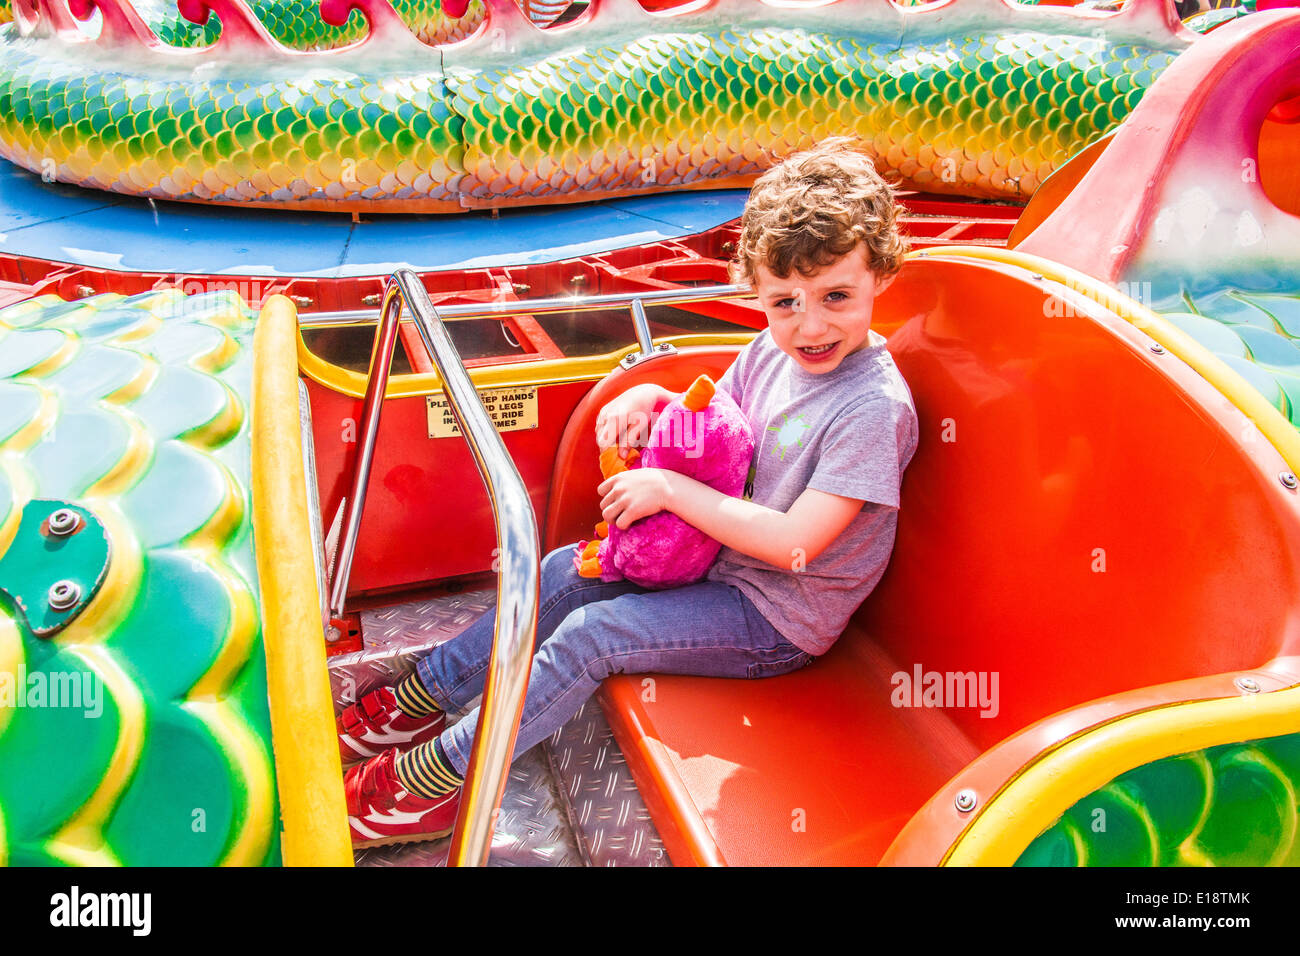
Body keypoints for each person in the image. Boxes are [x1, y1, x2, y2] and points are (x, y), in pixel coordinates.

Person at [340, 137, 921, 848]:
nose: (810, 325)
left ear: (881, 277)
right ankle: (422, 696)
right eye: (784, 302)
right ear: (759, 295)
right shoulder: (772, 349)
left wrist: (669, 487)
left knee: (595, 635)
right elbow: (718, 418)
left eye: (836, 297)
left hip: (775, 617)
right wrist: (651, 392)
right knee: (561, 572)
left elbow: (795, 544)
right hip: (714, 564)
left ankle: (438, 784)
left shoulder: (872, 407)